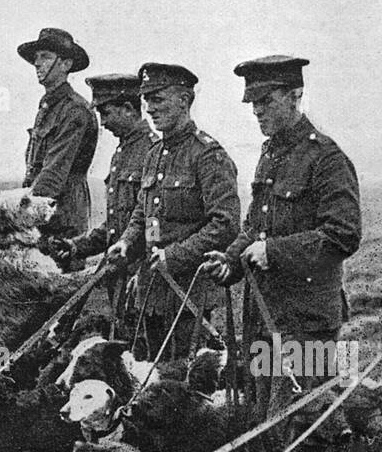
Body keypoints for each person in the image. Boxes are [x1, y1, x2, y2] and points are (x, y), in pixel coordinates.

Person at [205, 55, 361, 426]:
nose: (257, 111)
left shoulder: (326, 157)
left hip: (306, 322)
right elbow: (254, 227)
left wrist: (273, 252)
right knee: (264, 419)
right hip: (264, 316)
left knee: (304, 425)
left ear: (295, 96)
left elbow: (343, 235)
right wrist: (229, 261)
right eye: (254, 104)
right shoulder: (270, 154)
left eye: (267, 101)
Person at [107, 63, 239, 361]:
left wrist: (174, 255)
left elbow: (225, 224)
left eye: (158, 99)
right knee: (154, 376)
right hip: (153, 290)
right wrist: (128, 241)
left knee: (183, 382)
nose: (150, 109)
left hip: (190, 293)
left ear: (184, 100)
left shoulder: (208, 155)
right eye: (147, 101)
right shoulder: (154, 154)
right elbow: (148, 215)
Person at [63, 73, 157, 320]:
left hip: (143, 280)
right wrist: (77, 246)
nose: (102, 122)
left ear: (128, 109)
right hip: (120, 276)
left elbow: (154, 224)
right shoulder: (122, 152)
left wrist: (145, 271)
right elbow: (116, 224)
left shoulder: (153, 152)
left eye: (106, 113)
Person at [18, 27, 98, 265]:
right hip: (42, 217)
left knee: (59, 294)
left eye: (46, 57)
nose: (37, 64)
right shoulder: (47, 107)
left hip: (63, 221)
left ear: (65, 64)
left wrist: (21, 214)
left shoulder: (75, 110)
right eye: (36, 57)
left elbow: (54, 172)